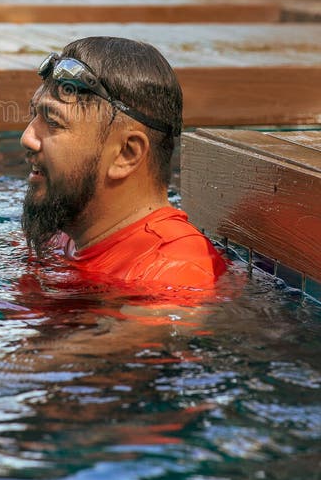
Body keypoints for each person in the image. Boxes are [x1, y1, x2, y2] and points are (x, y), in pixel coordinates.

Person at [20, 35, 228, 300]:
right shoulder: (64, 237)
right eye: (33, 116)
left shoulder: (175, 273)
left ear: (125, 154)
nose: (27, 137)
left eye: (53, 122)